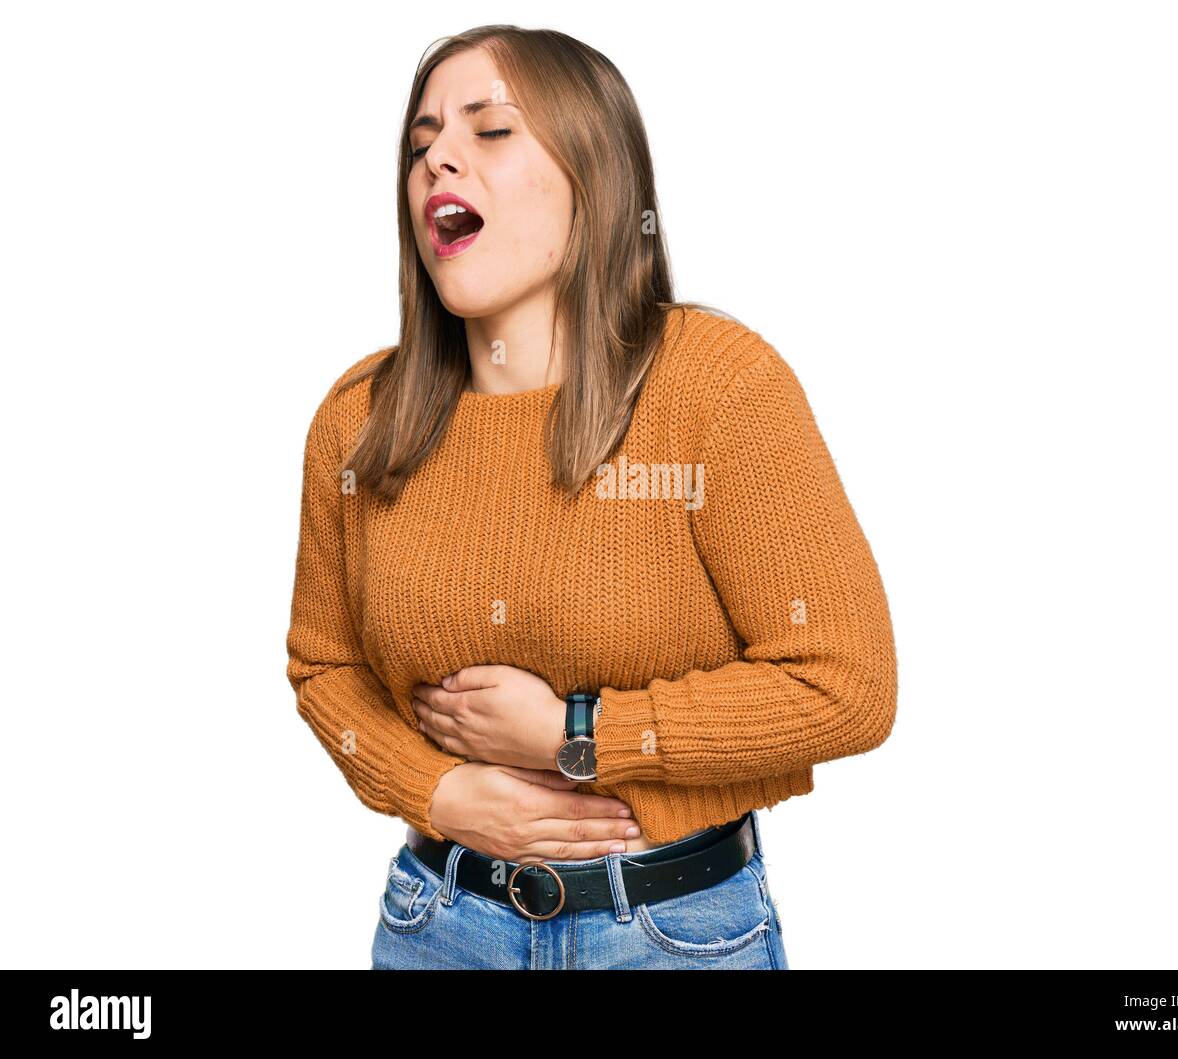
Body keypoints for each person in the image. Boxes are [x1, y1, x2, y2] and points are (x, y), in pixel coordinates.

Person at [285, 24, 898, 970]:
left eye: (491, 131)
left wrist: (580, 734)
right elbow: (323, 668)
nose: (437, 158)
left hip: (670, 934)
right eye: (421, 145)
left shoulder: (716, 387)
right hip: (437, 924)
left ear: (595, 175)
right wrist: (437, 792)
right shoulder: (359, 419)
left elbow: (847, 685)